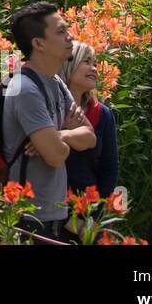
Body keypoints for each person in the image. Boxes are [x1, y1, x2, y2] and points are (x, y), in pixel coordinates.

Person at [1, 1, 96, 243]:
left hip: (54, 213)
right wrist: (65, 137)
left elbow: (90, 137)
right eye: (61, 32)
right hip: (28, 218)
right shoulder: (26, 89)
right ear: (38, 43)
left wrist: (60, 135)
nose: (70, 37)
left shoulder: (54, 81)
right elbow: (56, 156)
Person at [58, 40, 119, 197]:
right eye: (86, 61)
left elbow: (109, 168)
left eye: (95, 64)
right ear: (67, 64)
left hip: (86, 211)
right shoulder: (47, 106)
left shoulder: (102, 114)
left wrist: (95, 213)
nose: (94, 69)